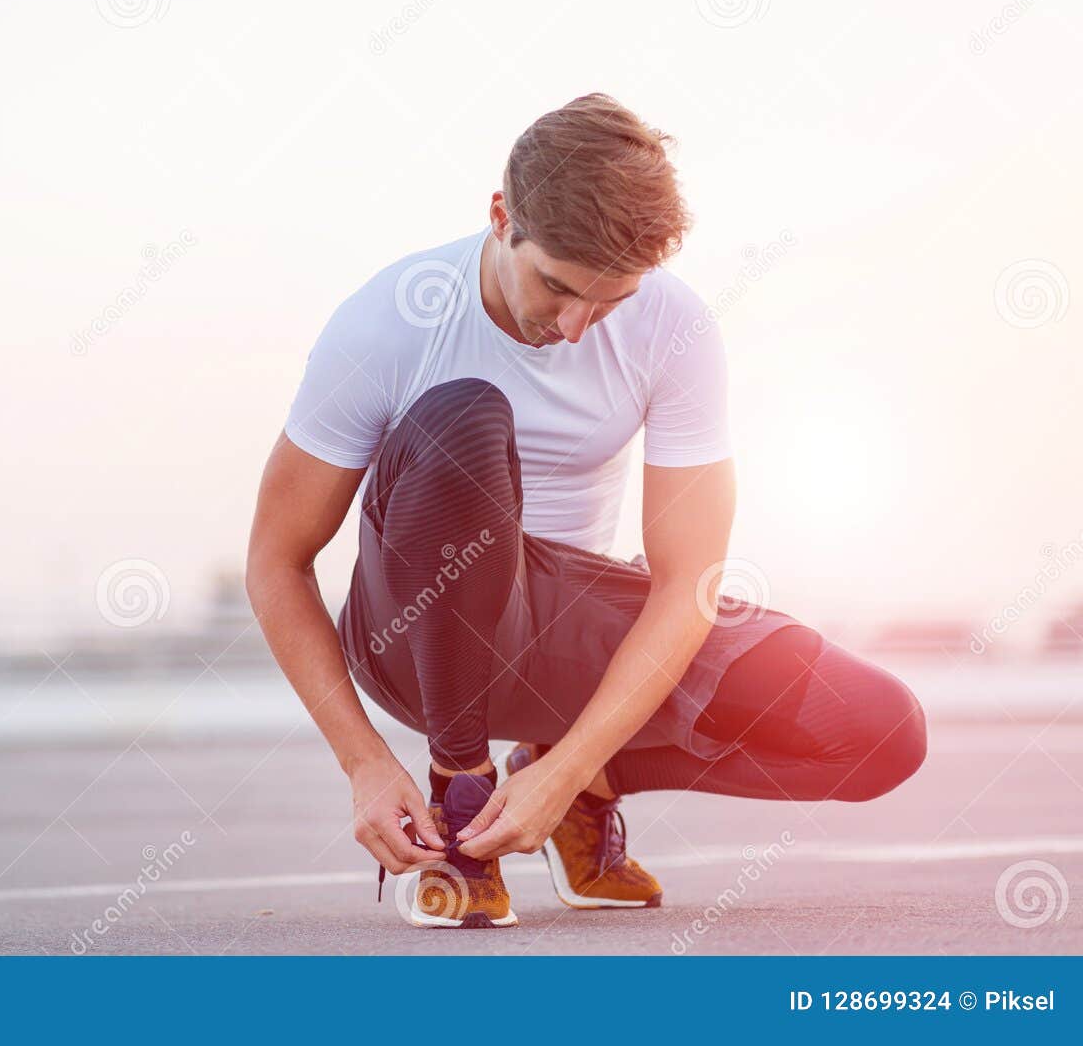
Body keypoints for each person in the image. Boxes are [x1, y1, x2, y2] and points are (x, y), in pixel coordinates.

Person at [244, 94, 927, 928]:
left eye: (608, 303)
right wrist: (362, 761)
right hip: (408, 634)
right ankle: (459, 802)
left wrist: (572, 766)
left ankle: (589, 790)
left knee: (880, 728)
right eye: (559, 287)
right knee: (466, 413)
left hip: (567, 628)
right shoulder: (389, 320)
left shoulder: (676, 328)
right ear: (501, 217)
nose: (574, 328)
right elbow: (276, 561)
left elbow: (687, 584)